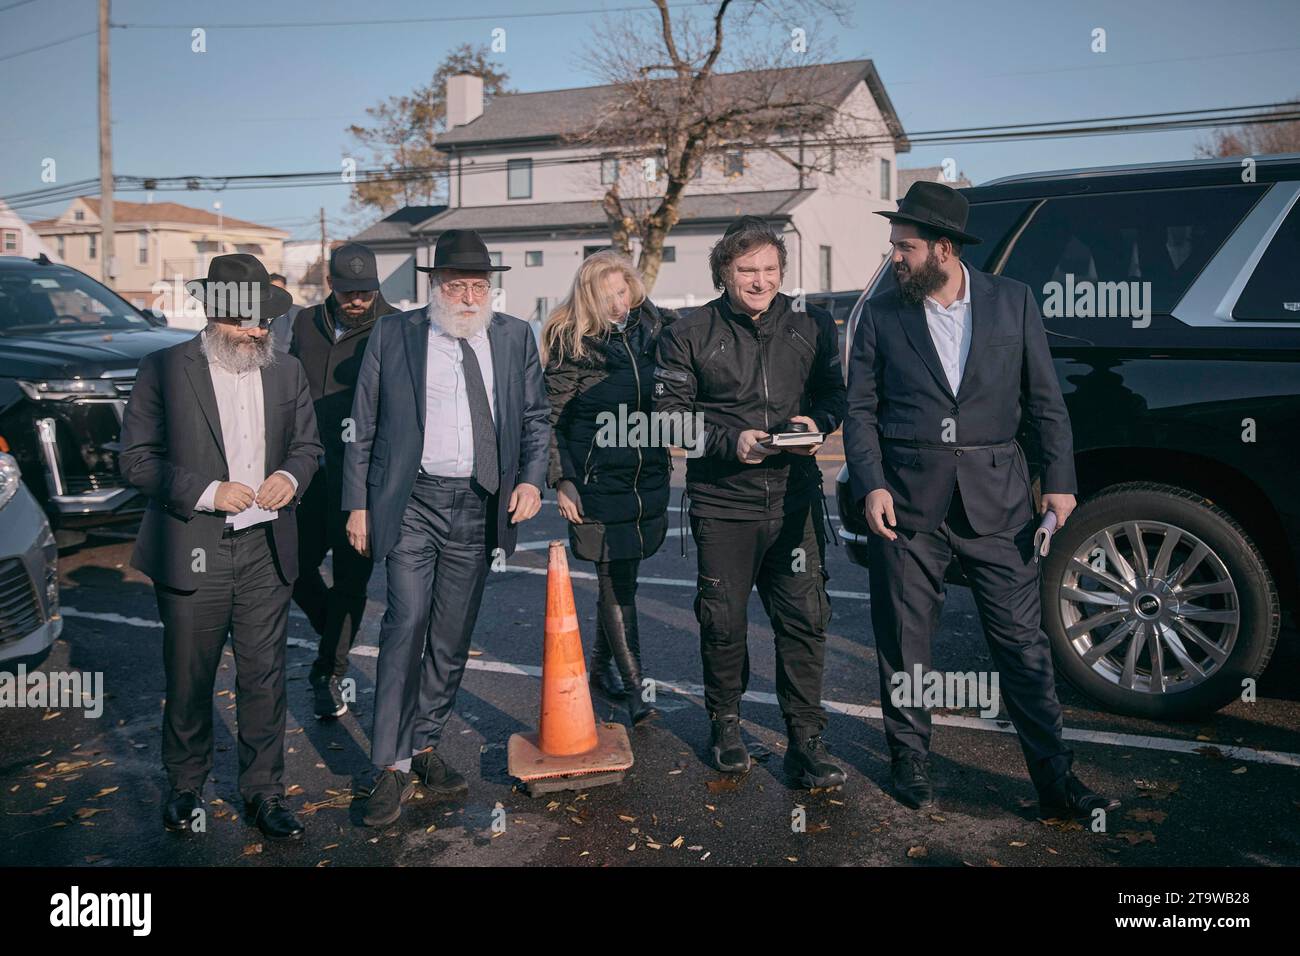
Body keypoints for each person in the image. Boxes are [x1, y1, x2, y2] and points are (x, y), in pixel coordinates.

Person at [842, 180, 1119, 818]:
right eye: (892, 247)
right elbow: (859, 411)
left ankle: (1055, 780)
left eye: (904, 247)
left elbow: (1047, 402)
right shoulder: (883, 314)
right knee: (906, 641)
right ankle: (910, 760)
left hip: (999, 504)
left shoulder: (1012, 302)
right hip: (907, 508)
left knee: (1023, 645)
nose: (894, 258)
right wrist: (872, 483)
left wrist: (1061, 481)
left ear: (943, 248)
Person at [343, 229, 550, 827]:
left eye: (477, 285)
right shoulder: (395, 333)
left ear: (490, 288)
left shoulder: (513, 337)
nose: (466, 296)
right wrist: (357, 503)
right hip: (411, 501)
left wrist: (531, 480)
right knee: (406, 621)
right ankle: (389, 766)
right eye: (455, 285)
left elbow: (535, 417)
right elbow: (363, 419)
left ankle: (425, 744)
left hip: (480, 504)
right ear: (434, 287)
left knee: (452, 634)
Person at [119, 253, 323, 841]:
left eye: (264, 319)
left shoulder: (285, 372)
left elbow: (308, 448)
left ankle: (263, 793)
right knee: (190, 675)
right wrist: (209, 491)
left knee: (266, 677)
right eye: (246, 319)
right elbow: (135, 459)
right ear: (214, 312)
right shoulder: (163, 368)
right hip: (194, 547)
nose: (258, 330)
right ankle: (185, 787)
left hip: (267, 547)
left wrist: (291, 477)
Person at [653, 216, 848, 789]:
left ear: (782, 271)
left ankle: (806, 743)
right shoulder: (687, 332)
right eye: (746, 271)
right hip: (722, 503)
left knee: (805, 620)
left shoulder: (811, 325)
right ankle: (727, 727)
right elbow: (667, 420)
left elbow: (837, 393)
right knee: (722, 622)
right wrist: (727, 442)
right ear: (724, 273)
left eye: (769, 269)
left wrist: (819, 421)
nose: (759, 280)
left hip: (795, 501)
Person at [541, 251, 673, 726]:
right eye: (606, 295)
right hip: (596, 480)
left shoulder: (656, 329)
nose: (618, 304)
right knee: (617, 582)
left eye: (623, 291)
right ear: (587, 298)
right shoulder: (571, 341)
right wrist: (563, 480)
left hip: (646, 475)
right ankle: (637, 687)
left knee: (621, 575)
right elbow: (549, 420)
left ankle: (600, 667)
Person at [288, 242, 399, 719]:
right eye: (349, 291)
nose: (358, 300)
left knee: (352, 581)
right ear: (330, 285)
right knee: (290, 564)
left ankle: (329, 671)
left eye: (366, 291)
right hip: (308, 472)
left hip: (362, 480)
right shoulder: (303, 323)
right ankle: (330, 626)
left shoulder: (395, 328)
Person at [267, 273, 301, 353]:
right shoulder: (259, 312)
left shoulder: (298, 313)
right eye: (273, 289)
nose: (277, 293)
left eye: (280, 289)